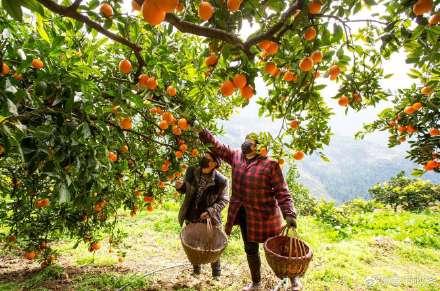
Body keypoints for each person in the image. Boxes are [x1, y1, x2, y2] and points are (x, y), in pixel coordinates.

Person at [199, 129, 298, 291]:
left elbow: (282, 190)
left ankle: (293, 280)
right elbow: (218, 147)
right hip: (244, 214)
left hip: (266, 216)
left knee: (278, 248)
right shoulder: (236, 156)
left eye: (251, 141)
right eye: (247, 139)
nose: (247, 143)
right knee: (250, 250)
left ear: (259, 147)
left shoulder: (270, 164)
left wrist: (289, 213)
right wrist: (201, 130)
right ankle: (256, 283)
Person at [175, 151, 229, 279]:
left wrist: (210, 211)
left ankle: (216, 273)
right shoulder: (192, 171)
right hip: (192, 213)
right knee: (193, 242)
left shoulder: (221, 181)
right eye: (204, 156)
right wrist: (179, 187)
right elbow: (186, 189)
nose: (203, 158)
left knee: (212, 243)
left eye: (207, 158)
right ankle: (196, 270)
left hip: (210, 216)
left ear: (214, 163)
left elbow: (224, 199)